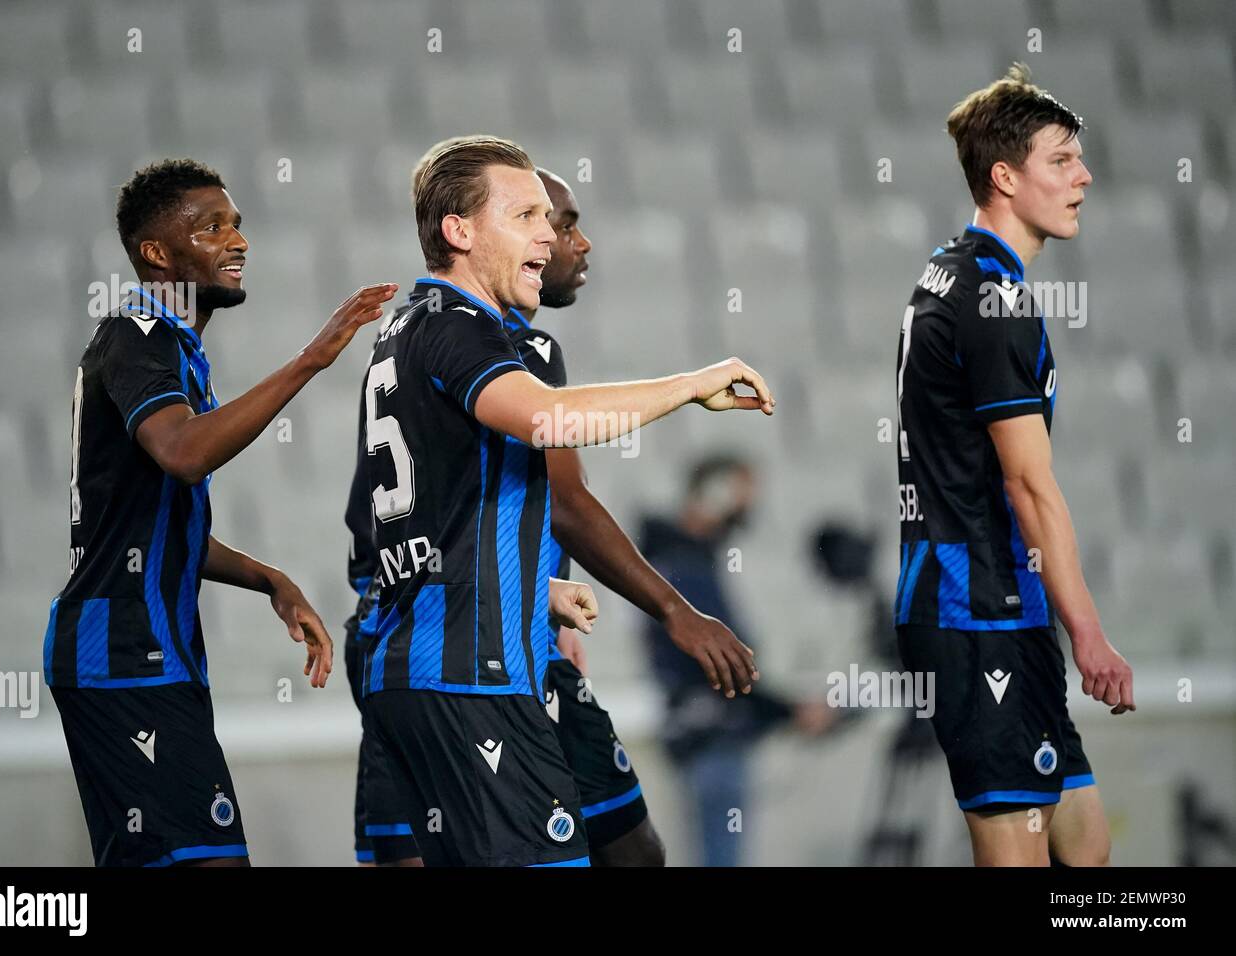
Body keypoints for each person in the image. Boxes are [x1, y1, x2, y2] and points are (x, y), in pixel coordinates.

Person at [350, 135, 774, 867]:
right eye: (529, 216)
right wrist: (690, 385)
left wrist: (530, 586)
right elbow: (549, 420)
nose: (552, 236)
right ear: (460, 230)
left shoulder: (411, 330)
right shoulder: (457, 327)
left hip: (444, 656)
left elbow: (436, 515)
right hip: (462, 669)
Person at [44, 158, 396, 867]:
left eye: (237, 224)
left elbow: (151, 525)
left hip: (150, 649)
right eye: (211, 227)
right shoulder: (137, 332)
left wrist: (269, 578)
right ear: (156, 254)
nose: (237, 241)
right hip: (119, 653)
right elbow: (182, 453)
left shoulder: (175, 349)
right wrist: (310, 360)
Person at [893, 64, 1133, 866]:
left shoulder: (955, 271)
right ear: (1005, 176)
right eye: (1061, 159)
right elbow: (1027, 483)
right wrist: (1089, 633)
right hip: (974, 607)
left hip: (1002, 601)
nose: (1083, 176)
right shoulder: (990, 300)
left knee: (1084, 850)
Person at [638, 455, 798, 867]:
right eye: (740, 496)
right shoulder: (685, 568)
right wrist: (790, 710)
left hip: (704, 732)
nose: (745, 510)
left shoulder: (678, 561)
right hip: (713, 737)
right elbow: (721, 663)